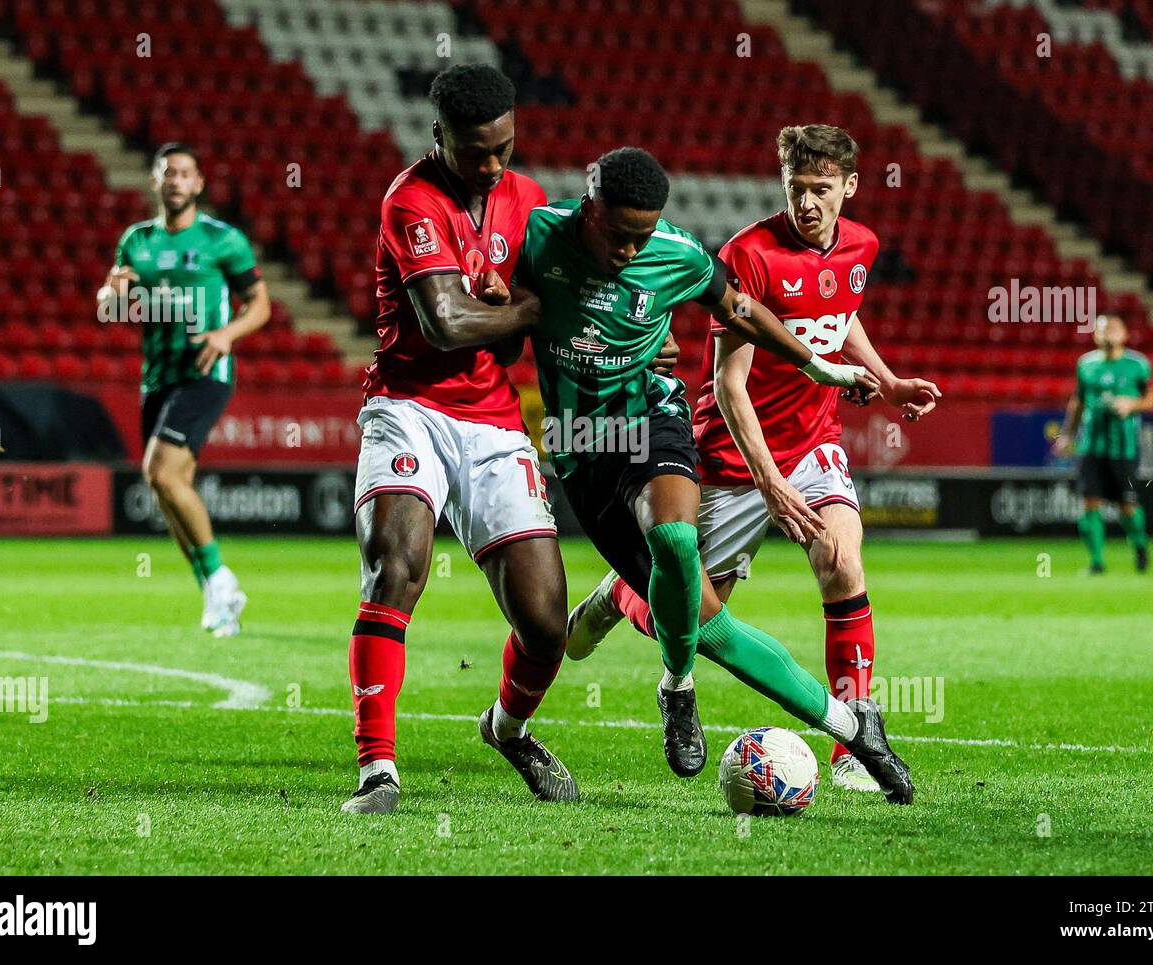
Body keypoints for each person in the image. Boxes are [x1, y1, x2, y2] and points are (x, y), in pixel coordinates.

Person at [517, 145, 914, 803]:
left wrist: (817, 366)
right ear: (590, 209)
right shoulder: (538, 236)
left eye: (641, 236)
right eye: (617, 233)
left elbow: (740, 310)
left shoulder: (678, 250)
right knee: (708, 623)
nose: (628, 250)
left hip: (654, 411)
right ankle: (701, 681)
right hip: (581, 440)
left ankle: (822, 725)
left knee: (680, 539)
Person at [342, 65, 578, 815]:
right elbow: (445, 324)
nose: (492, 164)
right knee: (396, 564)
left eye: (504, 147)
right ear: (437, 136)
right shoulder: (410, 200)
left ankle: (507, 729)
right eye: (476, 151)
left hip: (492, 416)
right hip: (408, 403)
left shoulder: (528, 198)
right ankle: (378, 771)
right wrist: (526, 310)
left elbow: (529, 324)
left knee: (546, 624)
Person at [99, 142, 270, 637]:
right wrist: (111, 295)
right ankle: (216, 595)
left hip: (204, 371)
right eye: (167, 172)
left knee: (160, 470)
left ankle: (220, 577)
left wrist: (226, 334)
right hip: (158, 376)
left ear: (198, 184)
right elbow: (110, 306)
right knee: (164, 483)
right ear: (155, 182)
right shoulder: (136, 241)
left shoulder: (223, 240)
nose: (175, 180)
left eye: (185, 174)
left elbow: (260, 306)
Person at [1052, 315, 1153, 573]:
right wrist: (1067, 435)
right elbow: (1078, 401)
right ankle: (1097, 562)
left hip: (1123, 448)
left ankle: (1140, 543)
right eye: (1102, 330)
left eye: (1113, 329)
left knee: (1127, 507)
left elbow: (1152, 399)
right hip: (1091, 447)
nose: (1108, 333)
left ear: (1124, 335)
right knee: (1090, 502)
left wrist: (1132, 404)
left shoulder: (1137, 364)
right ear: (1095, 336)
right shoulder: (1086, 365)